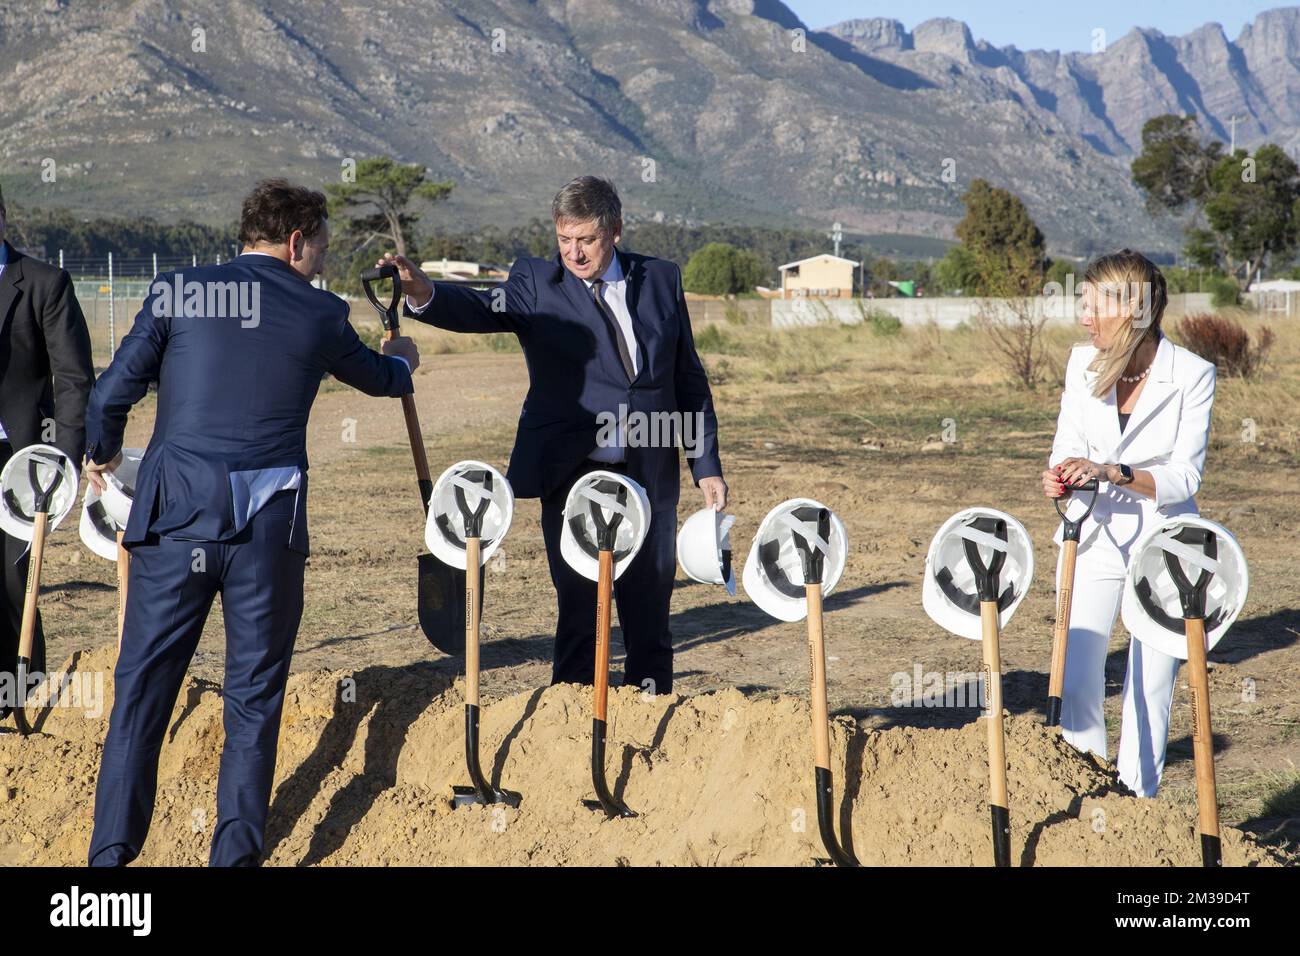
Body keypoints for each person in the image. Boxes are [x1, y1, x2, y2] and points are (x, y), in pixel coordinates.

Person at [84, 179, 420, 865]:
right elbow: (382, 380)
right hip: (266, 530)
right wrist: (405, 360)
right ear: (295, 242)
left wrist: (105, 454)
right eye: (320, 247)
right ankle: (234, 860)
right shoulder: (322, 313)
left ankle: (109, 869)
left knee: (141, 695)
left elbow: (110, 393)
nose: (323, 261)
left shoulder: (176, 289)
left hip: (173, 517)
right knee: (253, 701)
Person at [378, 176, 724, 695]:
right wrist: (423, 293)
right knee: (581, 606)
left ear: (615, 229)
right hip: (574, 469)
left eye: (585, 239)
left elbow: (687, 377)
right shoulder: (537, 283)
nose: (574, 252)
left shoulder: (661, 278)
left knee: (649, 607)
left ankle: (653, 720)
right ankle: (567, 725)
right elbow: (479, 307)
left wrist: (706, 465)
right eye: (564, 239)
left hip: (651, 467)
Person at [1042, 249, 1216, 797]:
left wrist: (1112, 471)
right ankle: (1083, 797)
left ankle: (1137, 804)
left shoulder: (1192, 374)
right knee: (1076, 678)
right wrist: (1062, 476)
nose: (1084, 316)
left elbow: (1184, 478)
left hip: (1163, 546)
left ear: (1132, 311)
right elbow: (1069, 444)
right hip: (1090, 536)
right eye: (1083, 303)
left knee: (1151, 683)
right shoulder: (1081, 363)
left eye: (1095, 305)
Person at [0, 182, 96, 723]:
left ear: (3, 220)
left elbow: (74, 377)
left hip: (23, 458)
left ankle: (17, 689)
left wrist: (65, 456)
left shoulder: (44, 283)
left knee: (15, 575)